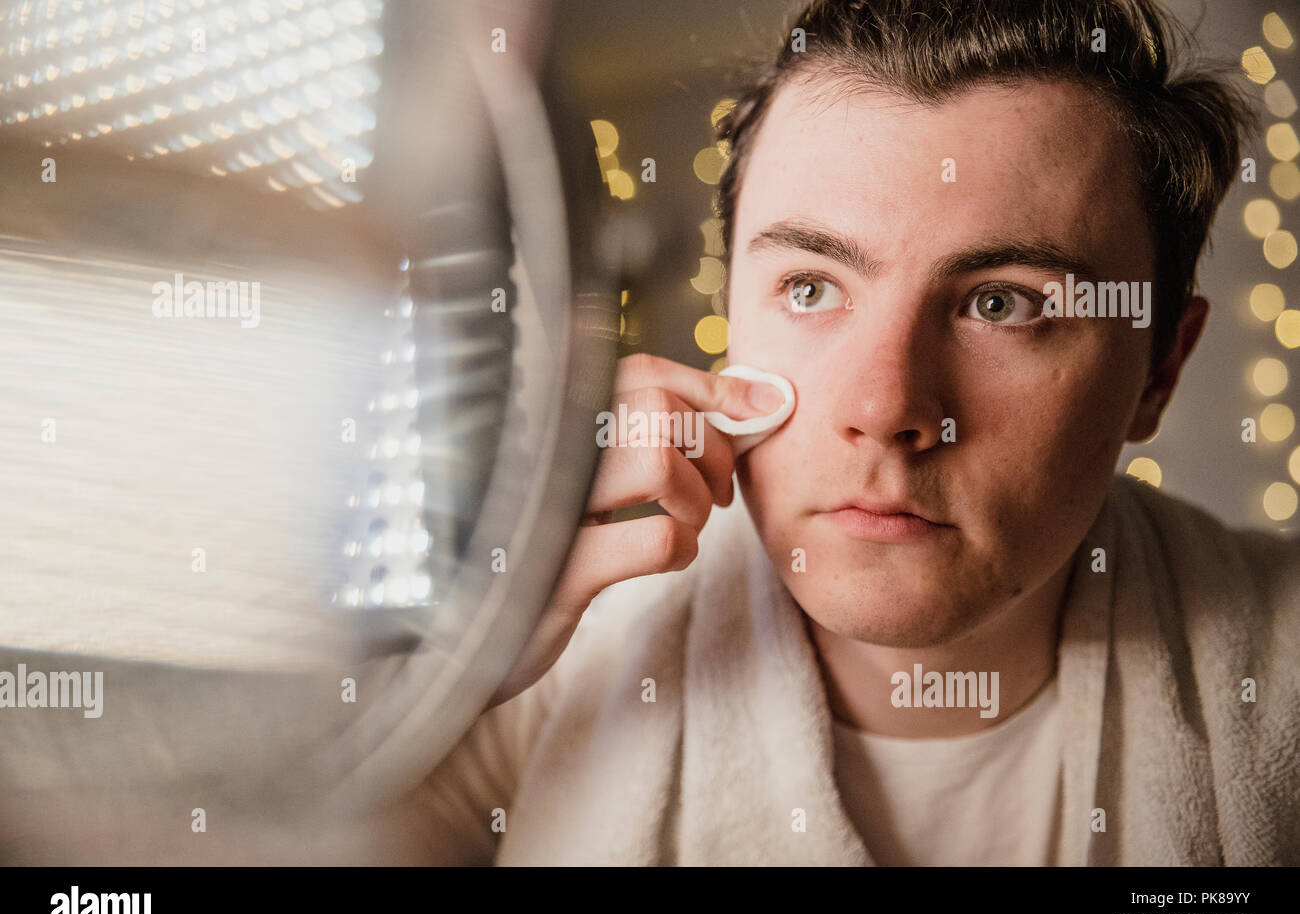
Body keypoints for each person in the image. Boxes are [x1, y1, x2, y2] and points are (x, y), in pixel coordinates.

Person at [385, 0, 1300, 865]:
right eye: (812, 287)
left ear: (1160, 373)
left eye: (1002, 303)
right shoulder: (550, 658)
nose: (886, 404)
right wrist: (446, 676)